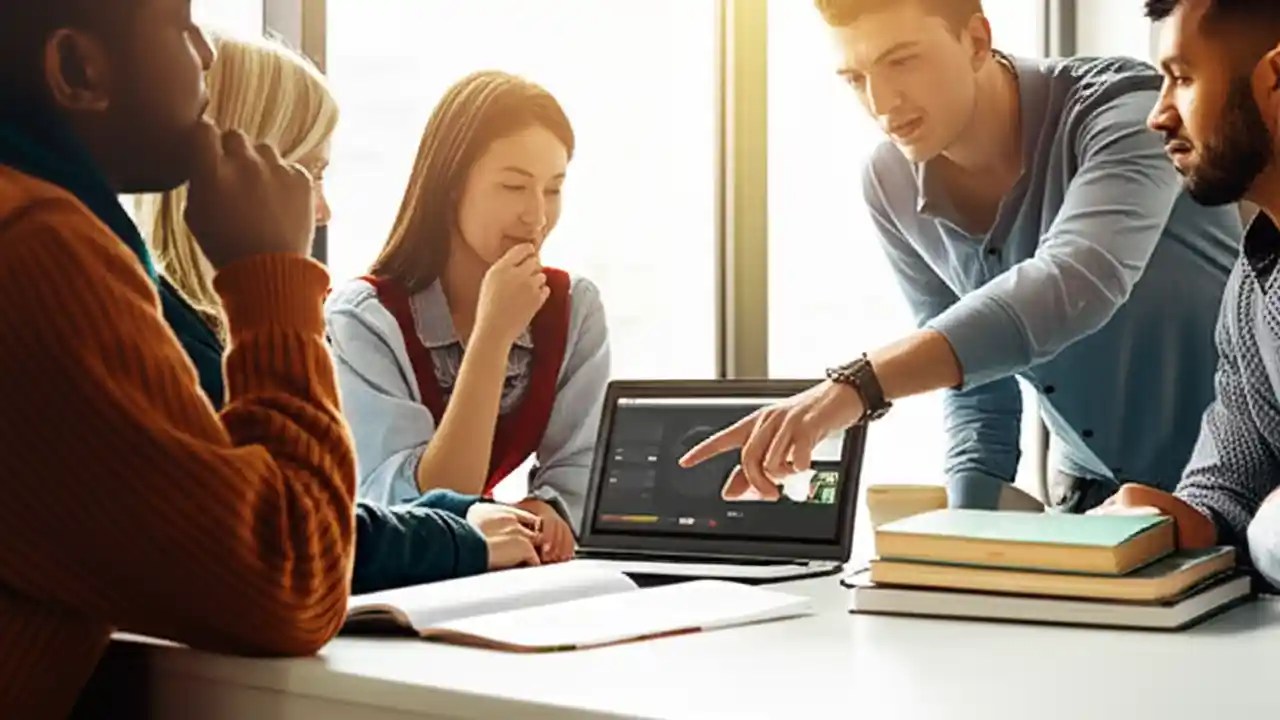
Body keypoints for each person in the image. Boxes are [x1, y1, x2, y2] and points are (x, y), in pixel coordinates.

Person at [681, 0, 1243, 515]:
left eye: (902, 62)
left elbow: (1076, 281)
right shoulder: (889, 179)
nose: (881, 104)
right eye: (856, 79)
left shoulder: (1127, 108)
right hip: (1096, 504)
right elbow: (973, 383)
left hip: (1245, 487)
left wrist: (855, 387)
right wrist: (963, 533)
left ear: (977, 39)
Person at [0, 1, 355, 715]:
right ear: (77, 69)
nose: (207, 54)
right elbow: (288, 580)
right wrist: (268, 277)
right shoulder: (38, 247)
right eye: (181, 27)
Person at [134, 34, 545, 594]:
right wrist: (456, 538)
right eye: (307, 172)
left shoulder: (209, 333)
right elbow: (295, 542)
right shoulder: (165, 350)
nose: (321, 209)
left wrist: (453, 518)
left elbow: (326, 508)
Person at [326, 71, 611, 563]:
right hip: (393, 576)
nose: (537, 217)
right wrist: (493, 335)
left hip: (496, 576)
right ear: (452, 185)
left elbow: (584, 471)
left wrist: (547, 509)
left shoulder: (573, 307)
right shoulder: (364, 321)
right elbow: (423, 510)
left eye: (553, 190)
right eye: (513, 186)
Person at [1096, 0, 1280, 591]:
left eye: (1182, 78)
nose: (1158, 115)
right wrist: (1180, 519)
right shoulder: (1253, 285)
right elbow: (1228, 485)